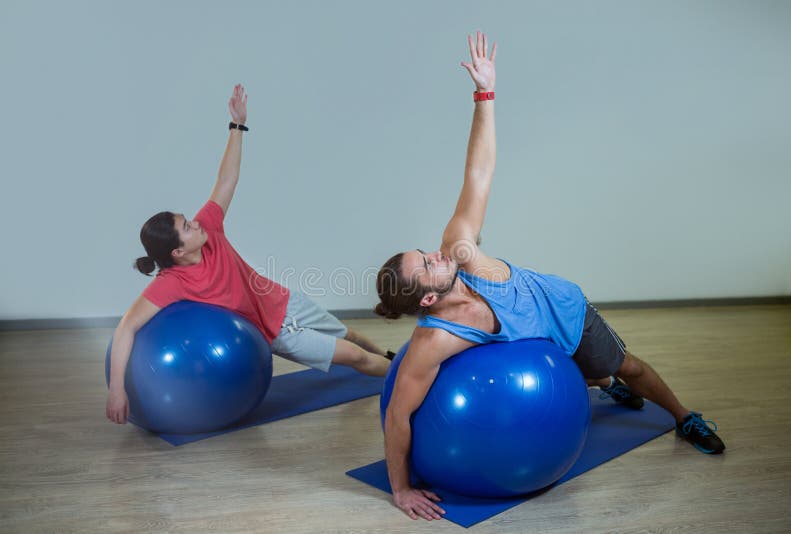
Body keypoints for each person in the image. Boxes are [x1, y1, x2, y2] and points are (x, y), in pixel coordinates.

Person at [374, 32, 725, 521]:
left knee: (628, 370)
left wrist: (485, 94)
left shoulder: (461, 249)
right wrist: (400, 490)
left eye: (424, 252)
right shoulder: (432, 343)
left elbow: (479, 171)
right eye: (427, 264)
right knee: (593, 378)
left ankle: (685, 417)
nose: (435, 253)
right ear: (428, 300)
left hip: (563, 310)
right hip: (536, 343)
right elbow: (397, 415)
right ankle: (601, 381)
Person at [106, 85, 393, 425]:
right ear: (178, 251)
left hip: (283, 300)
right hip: (276, 334)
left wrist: (237, 126)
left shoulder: (210, 229)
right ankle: (408, 379)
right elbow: (126, 328)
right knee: (356, 358)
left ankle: (394, 361)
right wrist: (117, 391)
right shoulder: (171, 284)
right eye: (186, 226)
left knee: (349, 334)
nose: (195, 222)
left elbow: (226, 179)